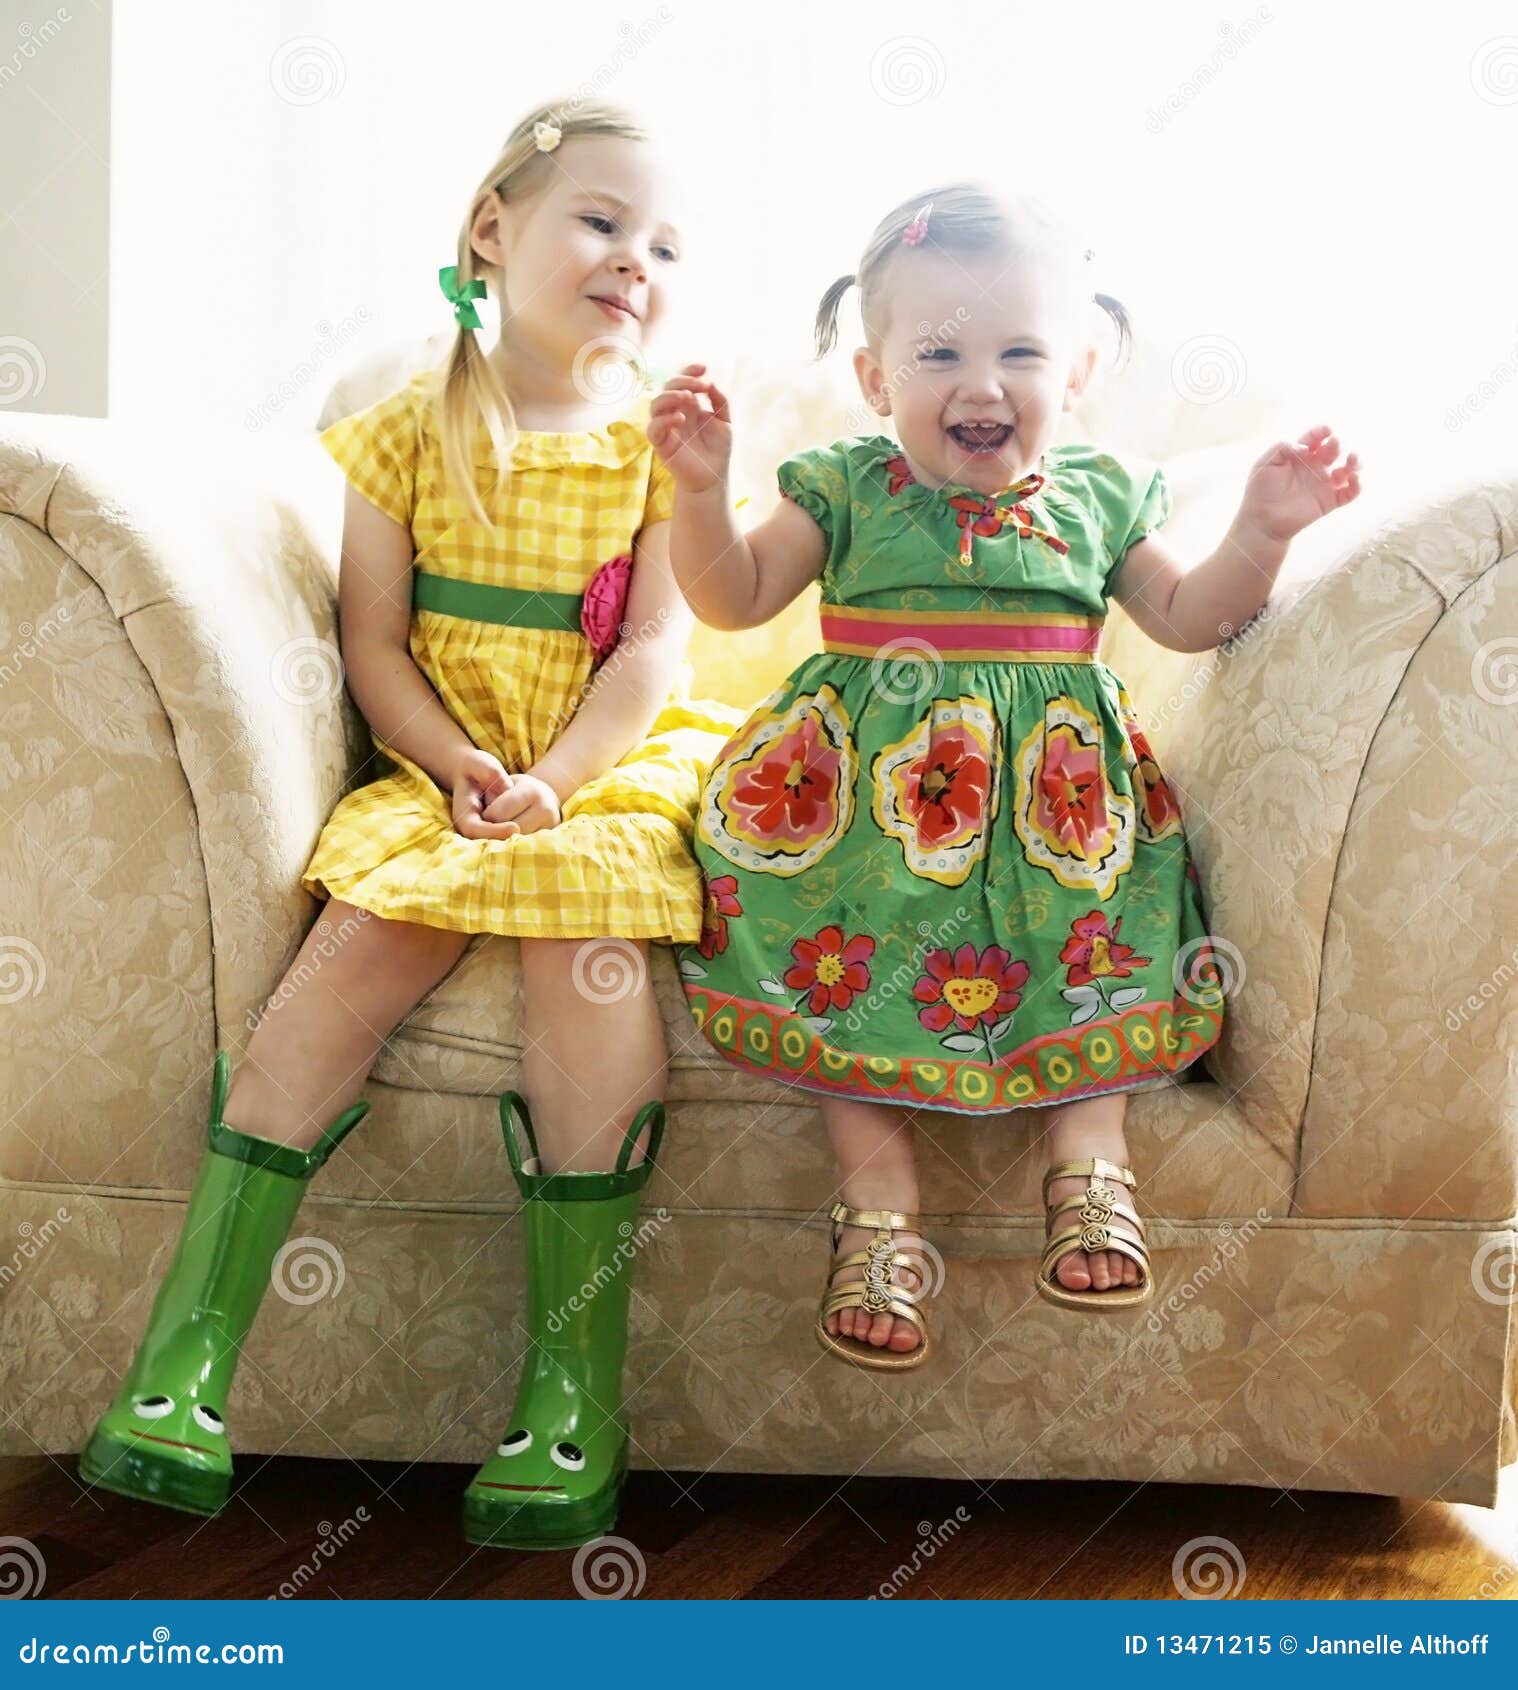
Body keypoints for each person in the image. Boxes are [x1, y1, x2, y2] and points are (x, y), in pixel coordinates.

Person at [80, 99, 742, 1548]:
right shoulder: (397, 440)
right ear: (492, 230)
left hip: (606, 765)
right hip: (444, 765)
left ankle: (572, 1386)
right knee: (359, 940)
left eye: (669, 243)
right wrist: (451, 766)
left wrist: (557, 781)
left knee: (590, 948)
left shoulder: (657, 454)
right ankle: (186, 1359)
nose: (638, 258)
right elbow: (374, 644)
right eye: (602, 220)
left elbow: (650, 660)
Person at [651, 182, 1359, 1369]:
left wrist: (1266, 529)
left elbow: (1190, 617)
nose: (981, 384)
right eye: (939, 352)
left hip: (1056, 809)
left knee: (1095, 932)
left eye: (1019, 350)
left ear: (1076, 369)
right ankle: (878, 1211)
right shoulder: (844, 486)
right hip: (861, 812)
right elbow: (732, 595)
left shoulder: (1100, 494)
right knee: (836, 948)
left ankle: (1090, 1163)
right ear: (877, 380)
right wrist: (698, 488)